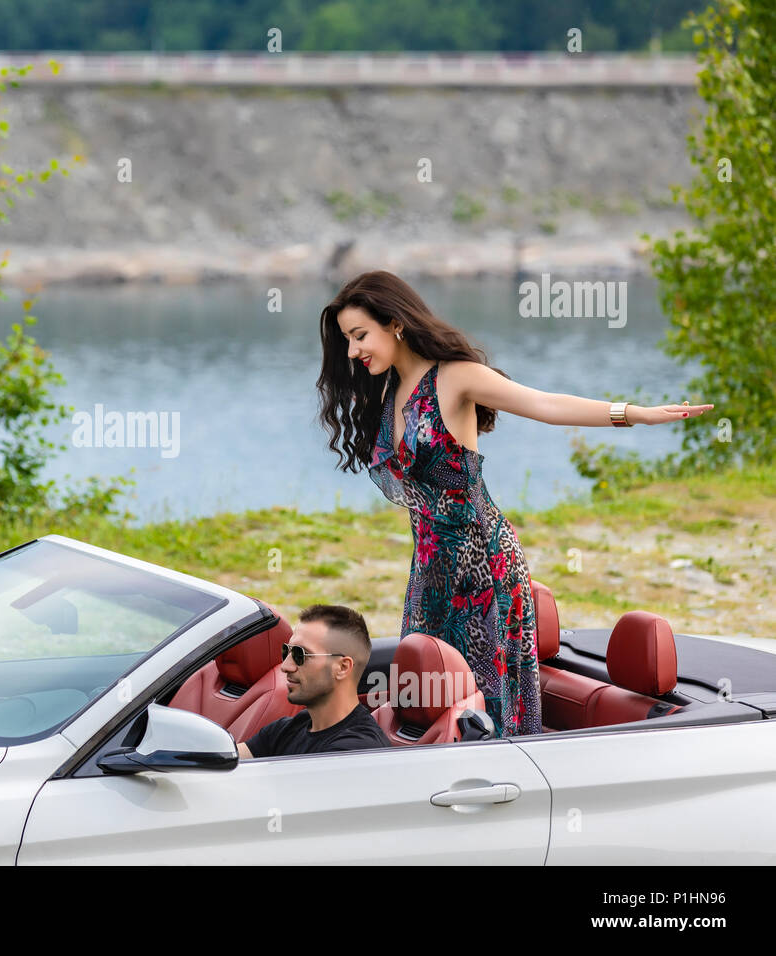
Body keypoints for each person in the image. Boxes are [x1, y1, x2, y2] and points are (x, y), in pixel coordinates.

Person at [316, 270, 713, 737]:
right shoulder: (387, 392)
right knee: (427, 701)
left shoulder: (455, 378)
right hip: (429, 574)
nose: (352, 351)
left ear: (396, 323)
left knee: (490, 708)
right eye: (347, 340)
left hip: (485, 566)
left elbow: (545, 404)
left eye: (359, 336)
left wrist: (634, 415)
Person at [237, 604, 389, 758]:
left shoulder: (354, 752)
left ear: (342, 667)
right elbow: (225, 760)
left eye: (300, 655)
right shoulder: (289, 728)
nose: (285, 666)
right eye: (286, 651)